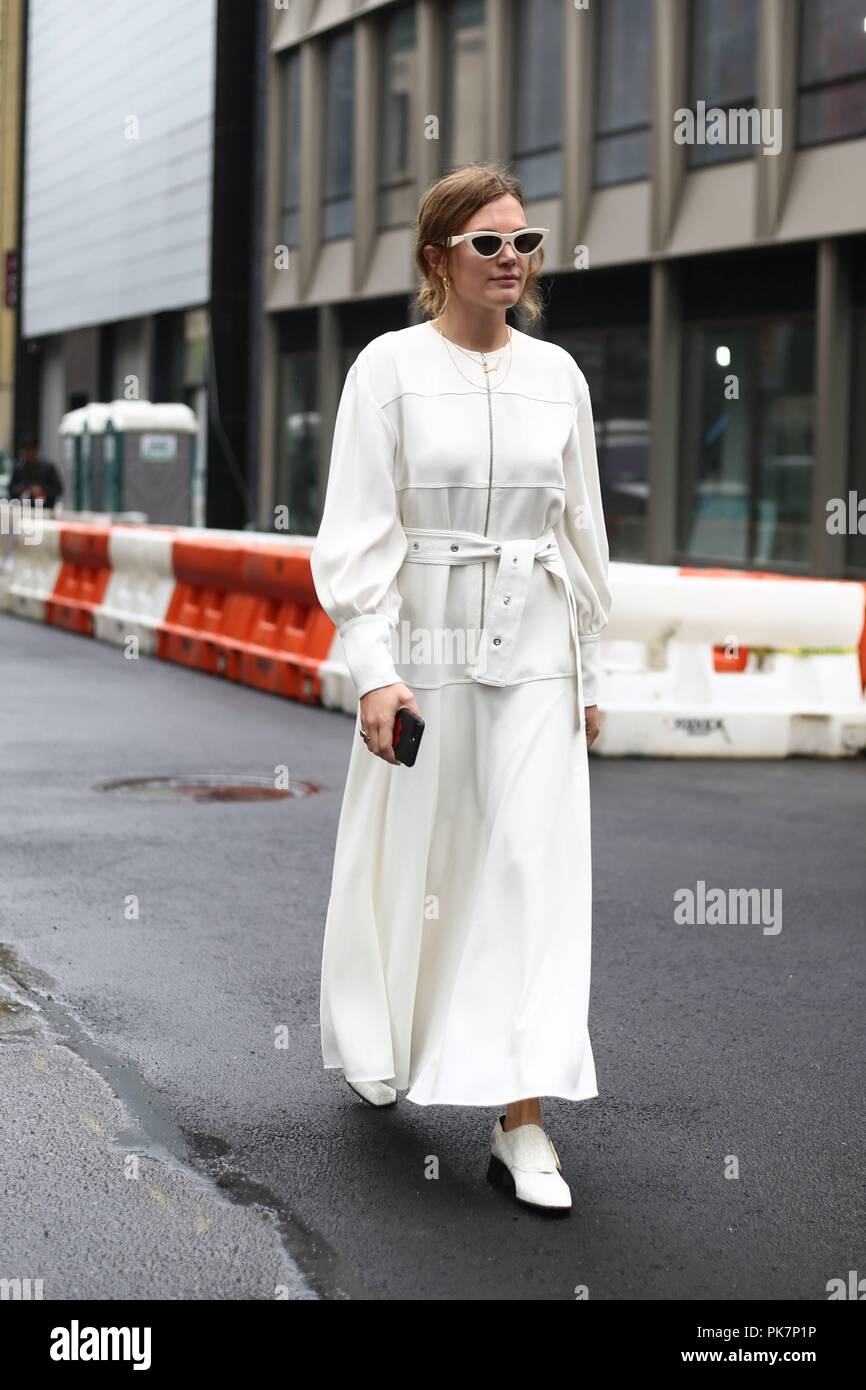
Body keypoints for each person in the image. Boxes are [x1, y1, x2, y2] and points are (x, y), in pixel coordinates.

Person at [309, 163, 611, 1214]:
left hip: (534, 650)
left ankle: (522, 1121)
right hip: (424, 647)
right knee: (410, 858)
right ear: (437, 256)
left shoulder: (557, 376)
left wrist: (588, 669)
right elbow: (358, 534)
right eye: (489, 243)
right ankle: (381, 1034)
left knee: (530, 868)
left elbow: (582, 536)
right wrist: (375, 672)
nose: (511, 261)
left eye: (525, 243)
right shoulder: (385, 370)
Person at [9, 436, 63, 509]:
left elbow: (58, 489)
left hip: (45, 509)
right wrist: (20, 489)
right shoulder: (19, 468)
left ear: (36, 450)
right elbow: (11, 489)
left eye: (31, 451)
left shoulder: (48, 467)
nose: (29, 454)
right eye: (26, 451)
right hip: (24, 509)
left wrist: (43, 491)